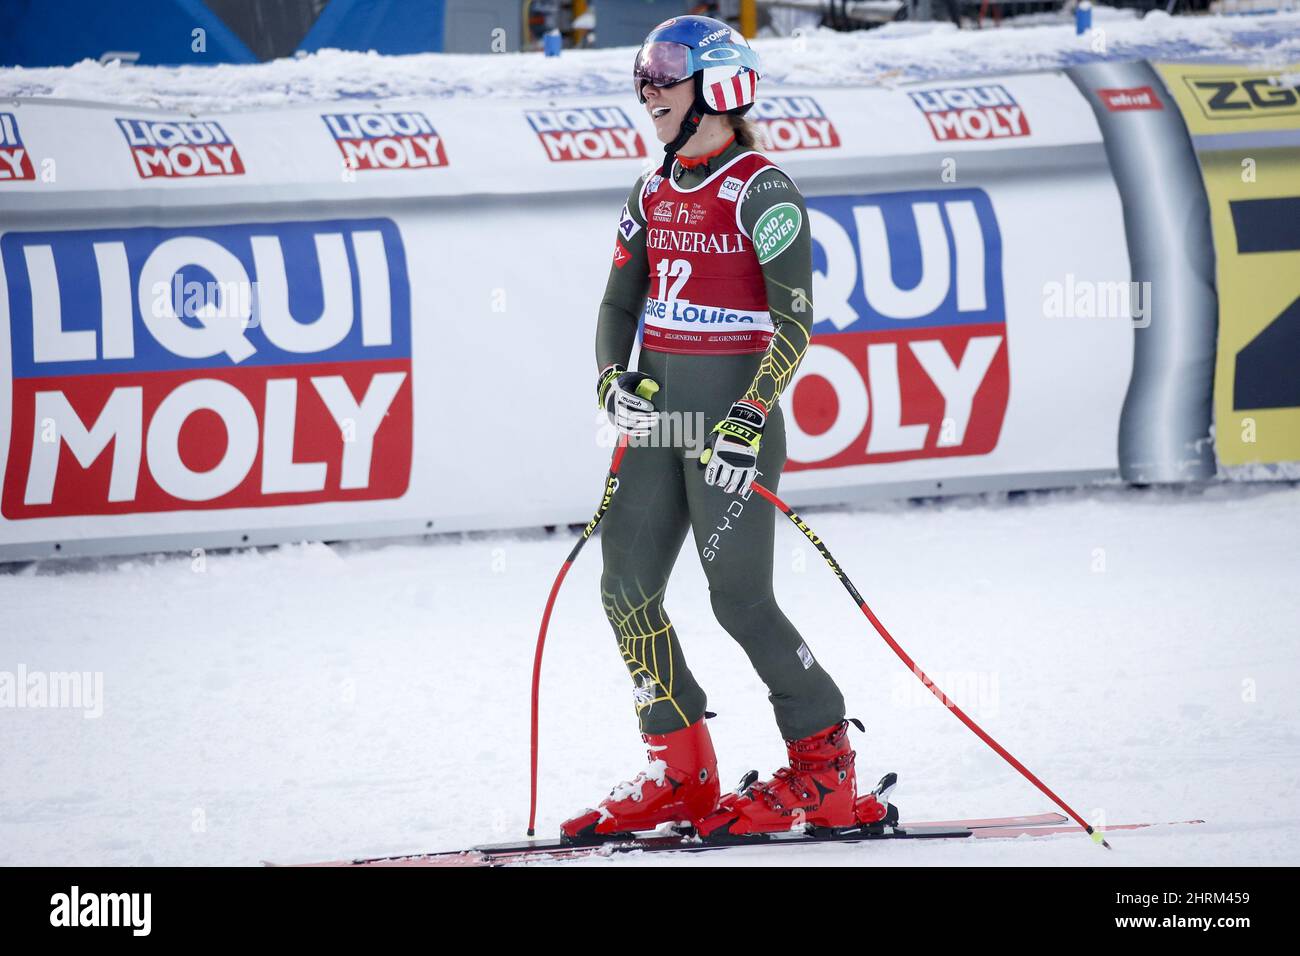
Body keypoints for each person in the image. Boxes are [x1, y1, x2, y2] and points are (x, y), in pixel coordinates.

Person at [560, 15, 892, 844]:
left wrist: (748, 416)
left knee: (738, 600)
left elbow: (796, 324)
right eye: (643, 74)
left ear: (721, 87)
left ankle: (827, 772)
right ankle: (682, 769)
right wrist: (611, 378)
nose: (648, 88)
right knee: (624, 588)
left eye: (667, 73)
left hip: (727, 429)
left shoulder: (762, 188)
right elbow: (616, 304)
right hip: (661, 418)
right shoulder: (649, 189)